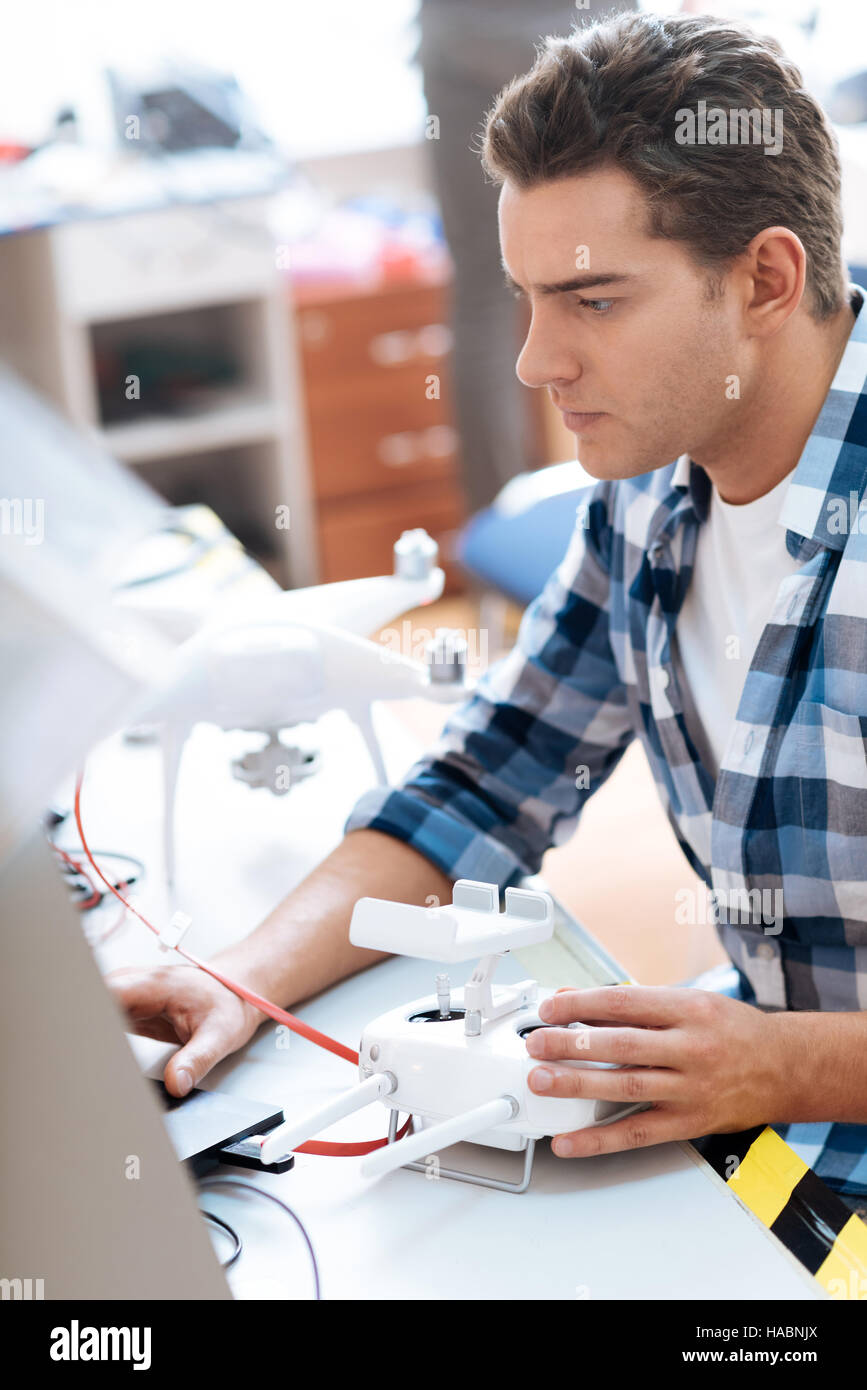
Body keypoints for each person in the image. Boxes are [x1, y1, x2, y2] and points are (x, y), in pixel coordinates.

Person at [110, 12, 867, 1212]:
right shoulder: (653, 479)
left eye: (593, 301)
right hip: (773, 1084)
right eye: (525, 296)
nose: (533, 361)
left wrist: (790, 1063)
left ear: (767, 281)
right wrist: (240, 979)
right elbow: (491, 777)